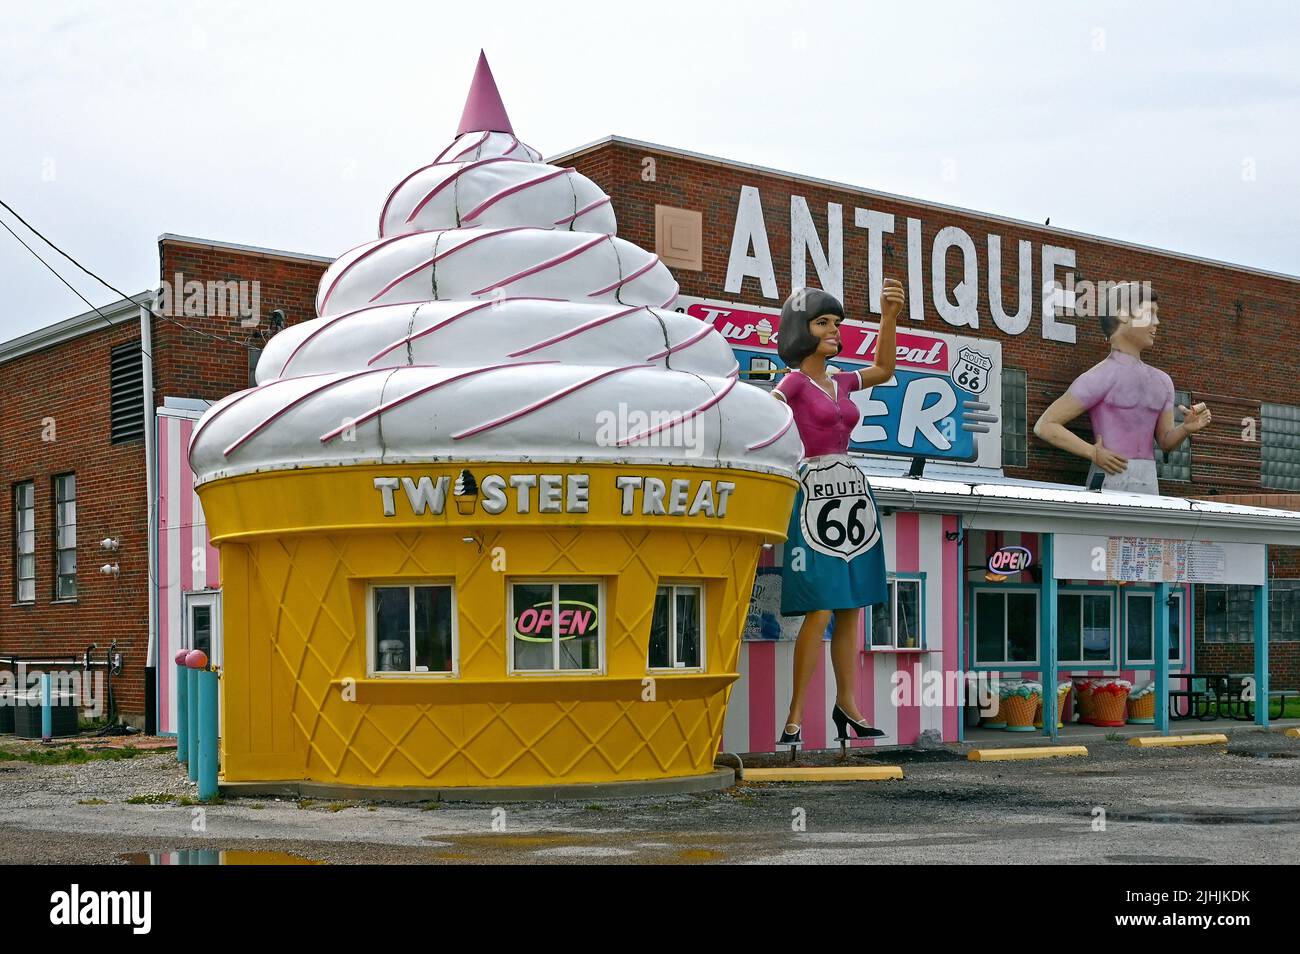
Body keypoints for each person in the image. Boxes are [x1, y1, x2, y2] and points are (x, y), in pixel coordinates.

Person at [771, 280, 903, 745]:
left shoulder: (842, 380)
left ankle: (848, 703)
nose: (833, 330)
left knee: (852, 607)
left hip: (852, 492)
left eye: (837, 323)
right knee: (822, 606)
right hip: (812, 492)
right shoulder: (793, 382)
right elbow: (768, 415)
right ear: (800, 330)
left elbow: (885, 369)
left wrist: (887, 316)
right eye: (823, 322)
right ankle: (794, 714)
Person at [1034, 281, 1211, 496]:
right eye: (1149, 313)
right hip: (1108, 477)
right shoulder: (1100, 377)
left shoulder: (1162, 381)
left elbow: (1164, 442)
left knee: (1146, 530)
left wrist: (1185, 428)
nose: (1157, 322)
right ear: (1124, 315)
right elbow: (1045, 425)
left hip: (1148, 480)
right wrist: (1093, 453)